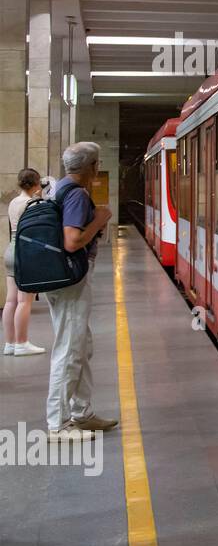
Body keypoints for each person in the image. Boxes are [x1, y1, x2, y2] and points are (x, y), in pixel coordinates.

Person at [45, 142, 118, 436]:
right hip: (70, 281)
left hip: (60, 279)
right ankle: (59, 423)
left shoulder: (58, 188)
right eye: (96, 164)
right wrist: (99, 219)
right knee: (69, 350)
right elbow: (72, 241)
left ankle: (81, 412)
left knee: (80, 346)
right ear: (91, 166)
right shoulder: (76, 195)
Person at [3, 168, 47, 356]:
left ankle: (10, 343)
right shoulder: (33, 203)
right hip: (25, 253)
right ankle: (22, 343)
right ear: (37, 184)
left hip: (10, 251)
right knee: (24, 301)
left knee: (10, 301)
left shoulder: (14, 202)